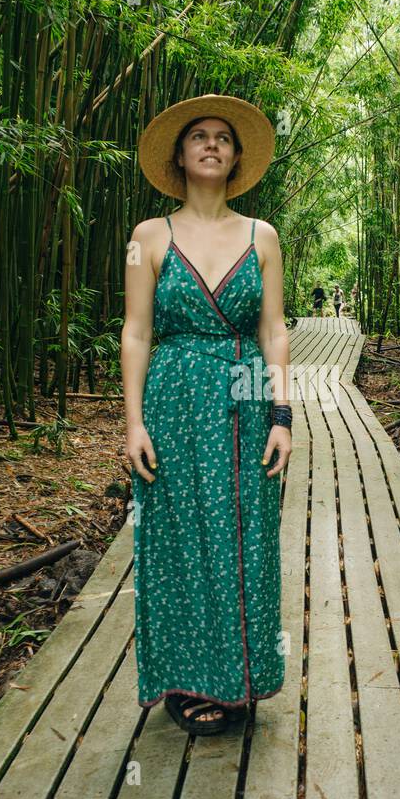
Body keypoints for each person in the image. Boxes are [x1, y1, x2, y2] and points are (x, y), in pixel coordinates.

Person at [122, 94, 293, 735]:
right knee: (180, 537)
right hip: (174, 399)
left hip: (247, 396)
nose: (212, 144)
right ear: (180, 153)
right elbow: (136, 332)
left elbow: (274, 328)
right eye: (199, 135)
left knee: (245, 533)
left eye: (223, 136)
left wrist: (282, 414)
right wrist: (133, 422)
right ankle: (188, 675)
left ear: (237, 155)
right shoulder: (149, 237)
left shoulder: (262, 236)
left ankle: (239, 677)